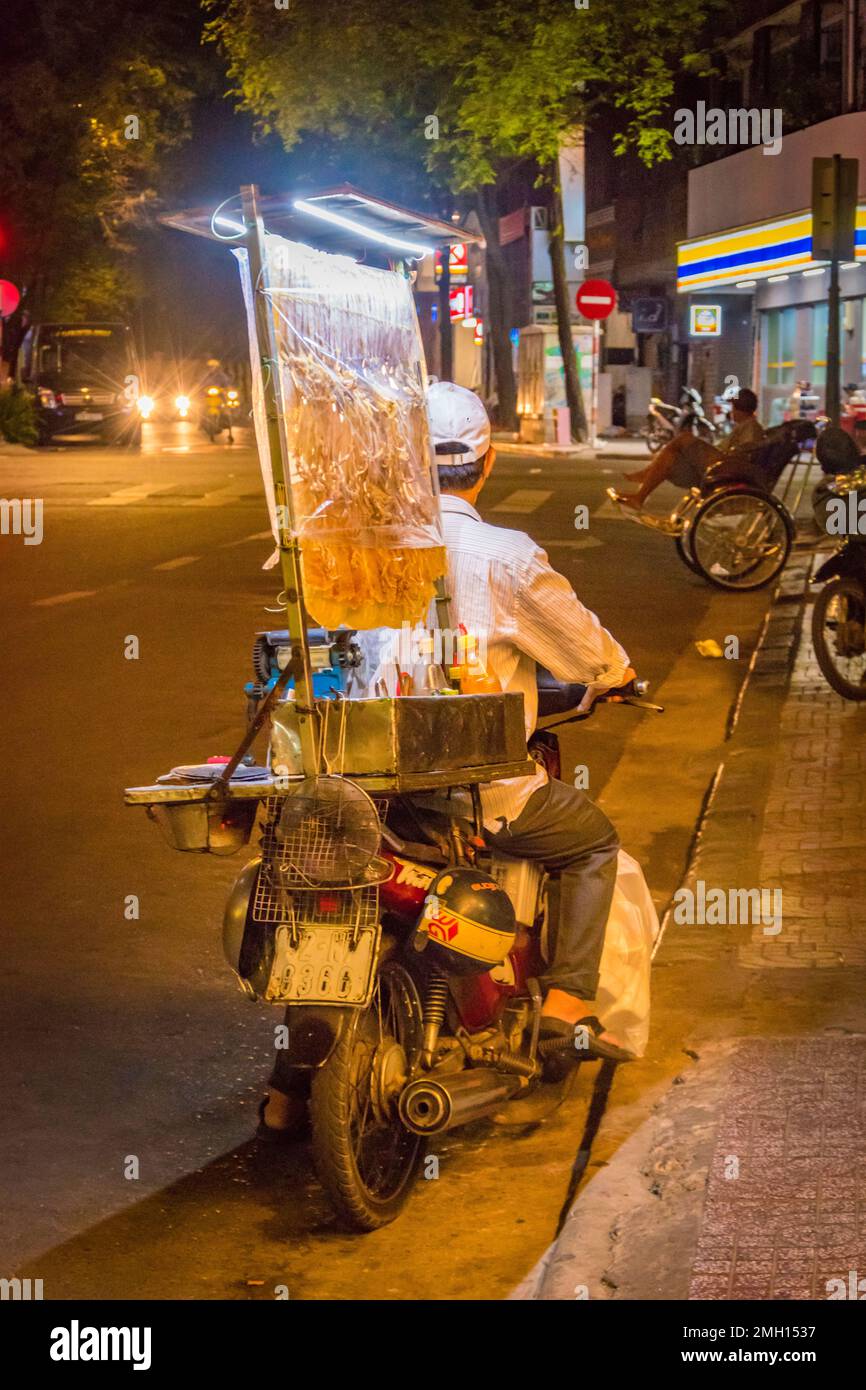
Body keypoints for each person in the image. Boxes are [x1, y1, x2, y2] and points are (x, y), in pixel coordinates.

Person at [259, 383, 635, 1139]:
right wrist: (620, 678)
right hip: (475, 798)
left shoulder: (352, 556)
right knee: (593, 844)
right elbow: (593, 657)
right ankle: (566, 1005)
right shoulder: (506, 557)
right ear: (486, 462)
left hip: (360, 791)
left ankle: (285, 1089)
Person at [613, 387, 765, 509]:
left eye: (733, 407)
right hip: (723, 464)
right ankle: (640, 497)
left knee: (684, 438)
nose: (731, 411)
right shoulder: (745, 426)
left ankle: (645, 474)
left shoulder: (751, 428)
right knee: (670, 460)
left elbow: (743, 456)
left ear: (739, 409)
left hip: (725, 467)